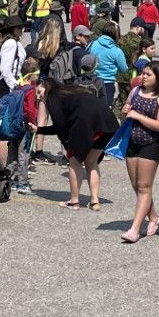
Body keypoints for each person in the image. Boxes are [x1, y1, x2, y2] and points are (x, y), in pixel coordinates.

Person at [45, 59, 115, 212]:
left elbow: (60, 125)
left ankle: (74, 201)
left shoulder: (52, 97)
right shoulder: (70, 91)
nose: (38, 96)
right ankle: (95, 201)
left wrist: (66, 144)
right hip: (107, 122)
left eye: (39, 91)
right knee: (91, 162)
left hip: (87, 124)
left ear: (46, 88)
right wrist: (40, 130)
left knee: (74, 162)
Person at [118, 61, 159, 244]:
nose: (143, 77)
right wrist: (125, 111)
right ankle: (154, 218)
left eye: (148, 74)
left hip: (150, 144)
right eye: (143, 73)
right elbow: (126, 111)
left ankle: (134, 229)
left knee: (144, 186)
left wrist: (138, 116)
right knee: (137, 185)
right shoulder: (135, 91)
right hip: (132, 142)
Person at [88, 25, 129, 112]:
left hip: (93, 80)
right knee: (106, 109)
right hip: (108, 83)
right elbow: (124, 69)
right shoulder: (117, 51)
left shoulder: (92, 44)